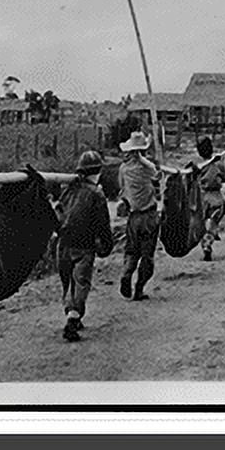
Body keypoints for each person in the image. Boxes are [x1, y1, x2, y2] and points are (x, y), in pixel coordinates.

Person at [56, 150, 114, 341]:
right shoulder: (96, 194)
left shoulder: (68, 189)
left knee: (67, 282)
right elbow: (103, 223)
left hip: (63, 243)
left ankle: (71, 312)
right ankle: (73, 317)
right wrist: (107, 244)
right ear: (98, 171)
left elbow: (59, 213)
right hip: (84, 245)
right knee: (81, 282)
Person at [117, 131, 161, 301]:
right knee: (147, 256)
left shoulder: (124, 169)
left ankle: (126, 273)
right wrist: (143, 158)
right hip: (149, 215)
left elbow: (122, 190)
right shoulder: (146, 168)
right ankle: (139, 288)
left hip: (133, 217)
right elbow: (157, 175)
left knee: (131, 251)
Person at [196, 135, 225, 260]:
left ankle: (204, 241)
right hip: (216, 196)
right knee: (214, 221)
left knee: (202, 222)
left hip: (201, 197)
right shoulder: (218, 164)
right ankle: (209, 241)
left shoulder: (198, 165)